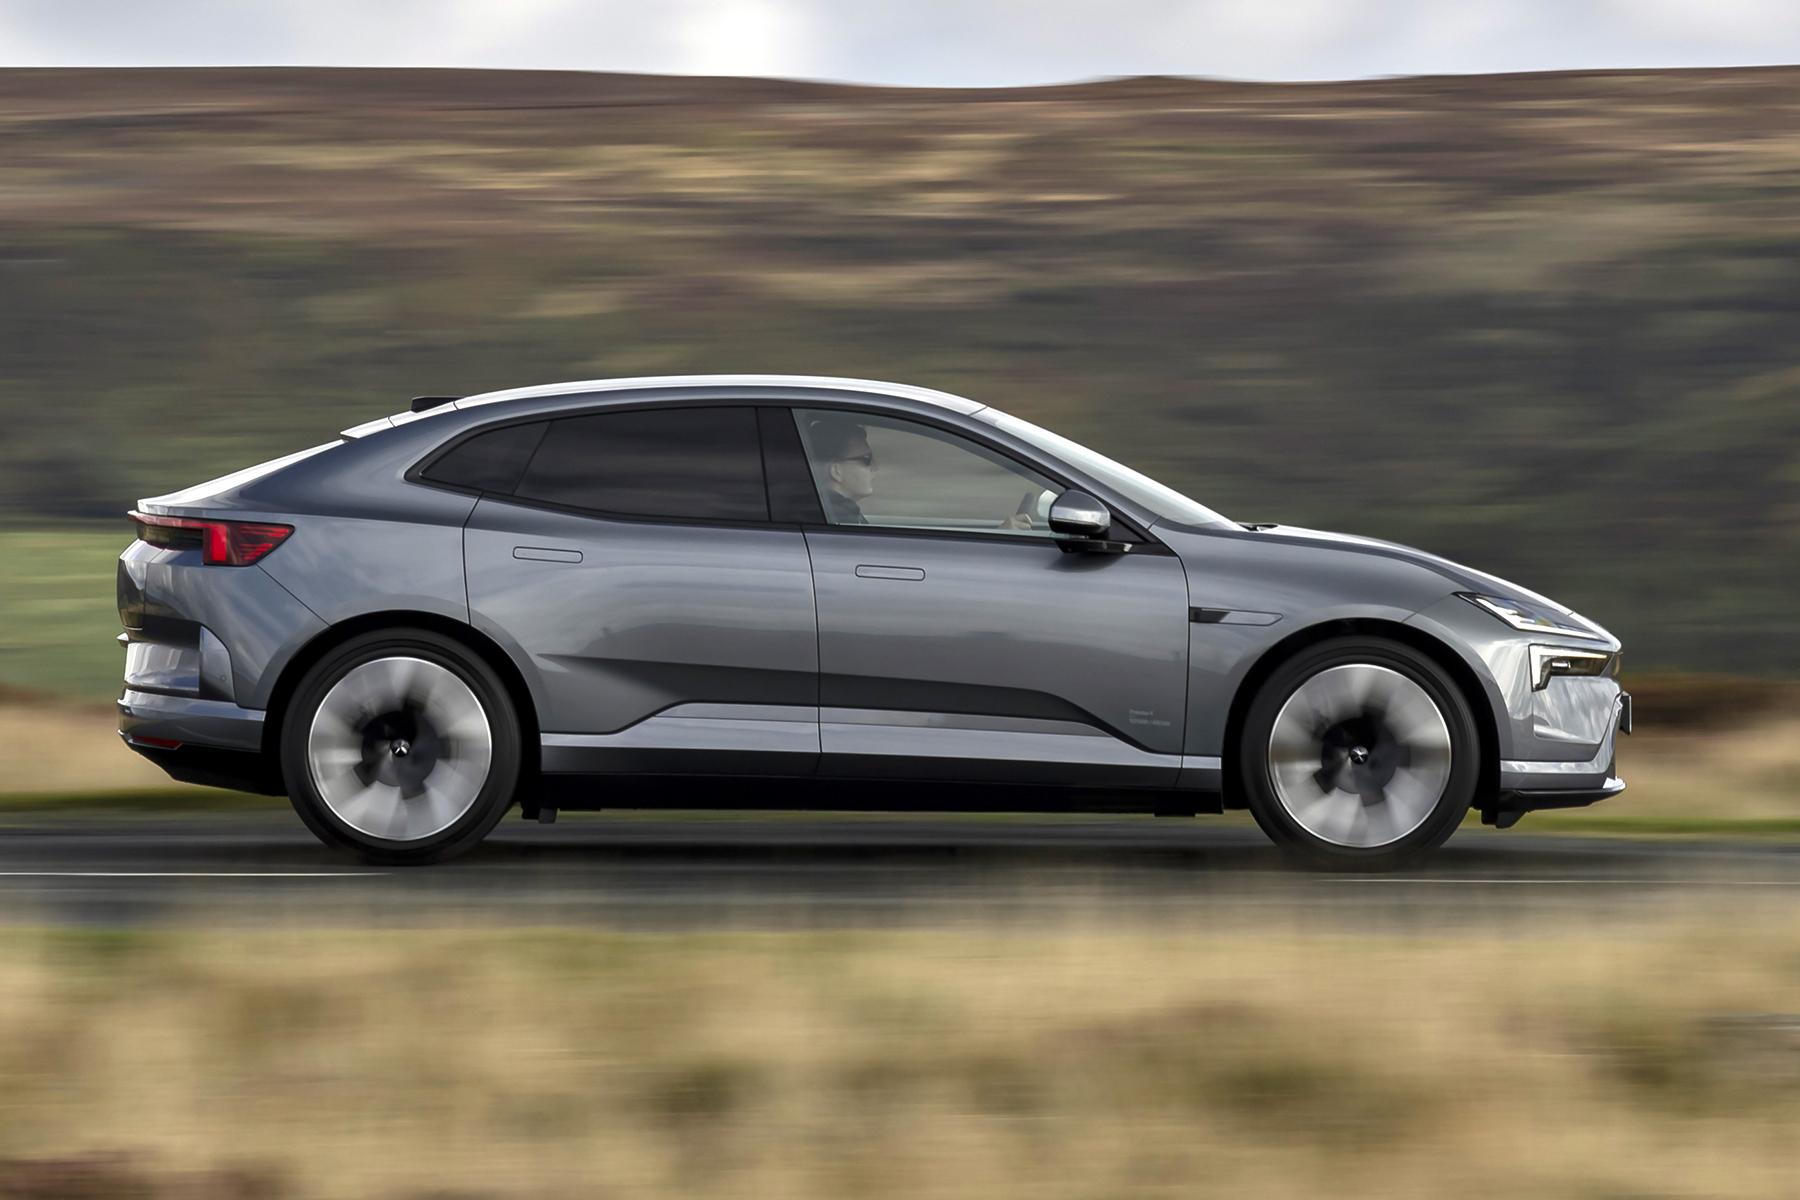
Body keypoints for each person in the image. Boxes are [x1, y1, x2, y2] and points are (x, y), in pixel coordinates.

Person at [806, 417, 1037, 531]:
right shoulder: (840, 522)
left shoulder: (837, 515)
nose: (876, 467)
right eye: (866, 460)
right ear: (836, 470)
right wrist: (998, 538)